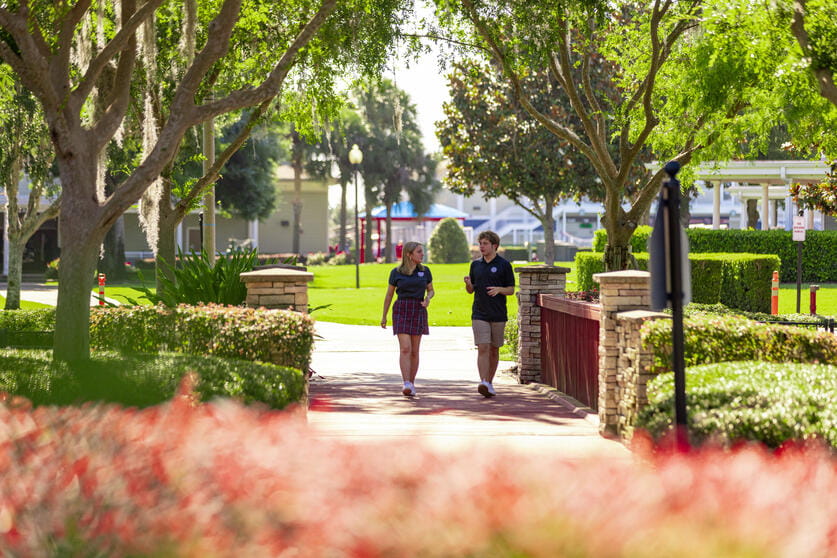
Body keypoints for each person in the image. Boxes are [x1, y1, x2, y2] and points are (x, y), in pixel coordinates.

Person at [464, 231, 515, 397]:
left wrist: (499, 289)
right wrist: (468, 284)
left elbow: (511, 289)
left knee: (494, 349)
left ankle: (489, 382)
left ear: (494, 246)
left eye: (485, 243)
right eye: (480, 243)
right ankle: (483, 381)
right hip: (479, 312)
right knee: (483, 347)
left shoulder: (504, 265)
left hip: (498, 314)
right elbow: (471, 290)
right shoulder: (475, 265)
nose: (481, 247)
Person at [381, 241, 434, 396]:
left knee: (415, 350)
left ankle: (411, 382)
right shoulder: (396, 272)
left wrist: (428, 298)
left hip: (418, 309)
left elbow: (431, 290)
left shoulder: (425, 271)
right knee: (405, 348)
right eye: (419, 252)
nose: (422, 254)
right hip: (401, 309)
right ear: (409, 255)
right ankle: (406, 383)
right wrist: (384, 316)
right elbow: (389, 295)